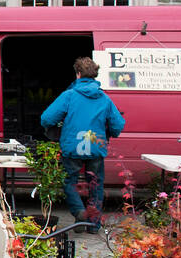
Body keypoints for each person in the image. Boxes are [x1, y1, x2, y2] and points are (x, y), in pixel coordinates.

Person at [40, 56, 125, 231]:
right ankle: (93, 225)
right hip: (95, 146)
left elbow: (47, 118)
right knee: (95, 184)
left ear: (78, 74)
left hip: (72, 146)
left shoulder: (69, 96)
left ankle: (79, 212)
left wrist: (54, 129)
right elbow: (118, 125)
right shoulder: (104, 98)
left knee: (69, 182)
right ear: (94, 75)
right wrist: (110, 132)